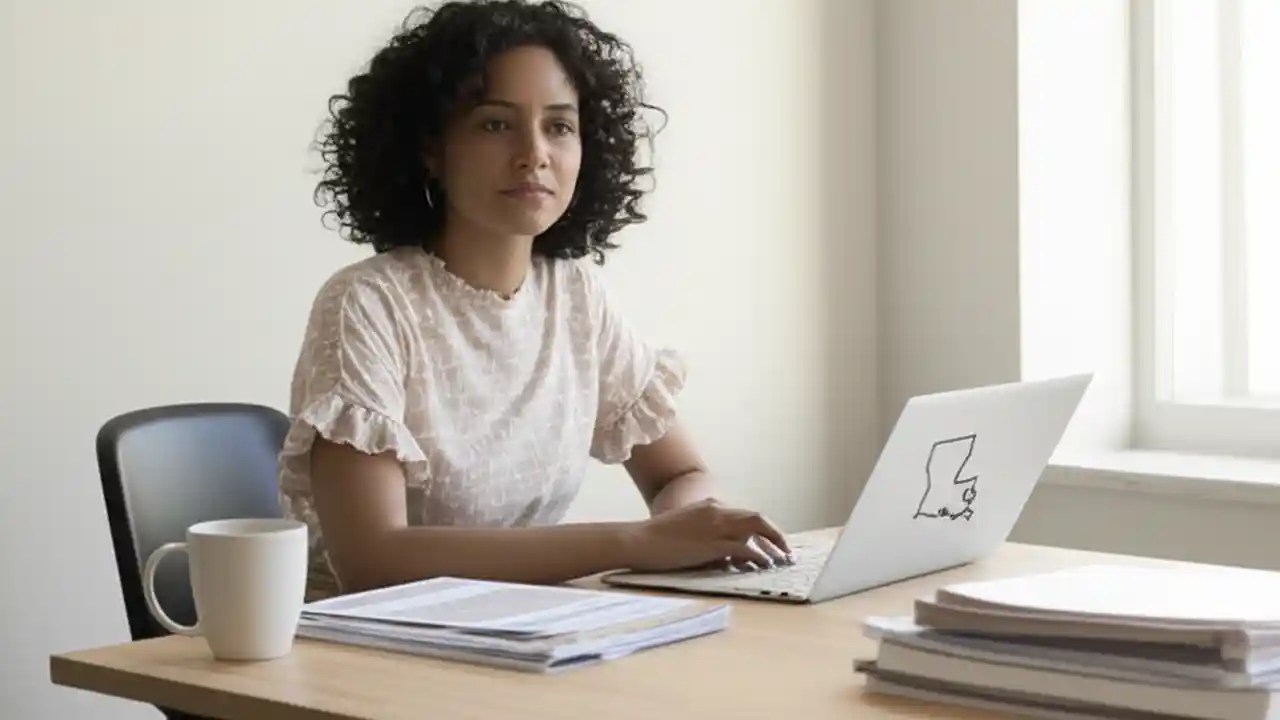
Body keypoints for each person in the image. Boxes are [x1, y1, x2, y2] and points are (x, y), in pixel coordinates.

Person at [279, 0, 791, 601]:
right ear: (431, 150)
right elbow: (373, 560)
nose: (534, 153)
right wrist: (639, 543)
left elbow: (681, 474)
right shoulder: (366, 304)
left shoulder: (574, 296)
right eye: (496, 124)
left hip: (522, 631)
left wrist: (694, 533)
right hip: (359, 653)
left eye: (559, 125)